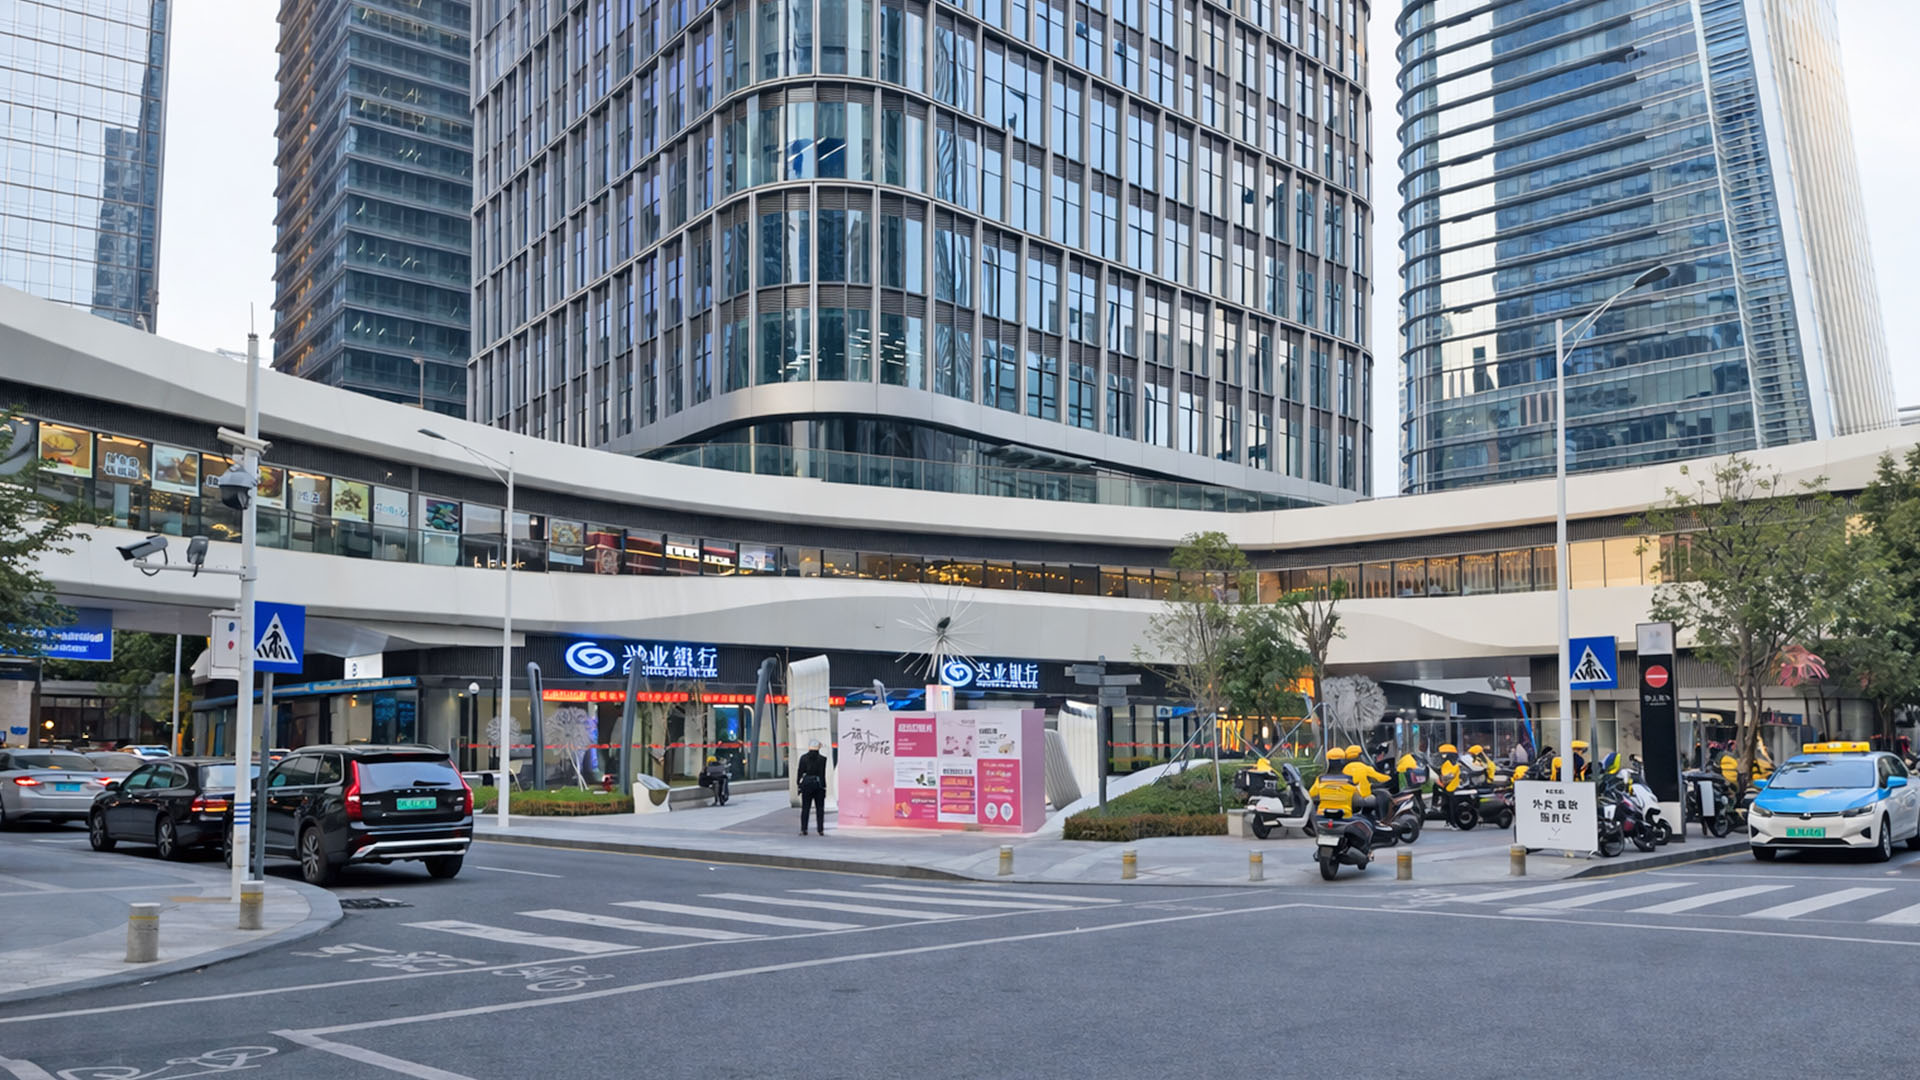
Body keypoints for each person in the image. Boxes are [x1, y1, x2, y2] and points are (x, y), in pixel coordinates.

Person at [797, 738, 828, 835]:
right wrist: (824, 787)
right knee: (820, 808)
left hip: (806, 785)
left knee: (805, 808)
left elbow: (800, 772)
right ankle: (820, 829)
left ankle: (804, 829)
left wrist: (798, 784)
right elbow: (822, 774)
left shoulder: (803, 758)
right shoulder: (823, 759)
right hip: (818, 785)